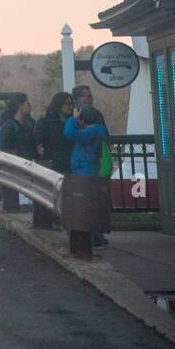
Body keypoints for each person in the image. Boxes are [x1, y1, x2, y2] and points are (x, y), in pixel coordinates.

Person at [65, 104, 111, 248]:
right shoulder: (98, 130)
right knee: (93, 207)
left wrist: (73, 118)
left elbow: (68, 133)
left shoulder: (91, 132)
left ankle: (92, 241)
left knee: (86, 209)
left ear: (84, 120)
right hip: (90, 173)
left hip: (86, 174)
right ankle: (97, 239)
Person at [35, 92, 74, 174]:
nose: (71, 107)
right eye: (68, 104)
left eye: (72, 104)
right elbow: (37, 142)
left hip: (71, 165)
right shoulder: (45, 122)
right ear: (59, 104)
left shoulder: (73, 122)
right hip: (52, 166)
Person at [0, 93, 35, 160]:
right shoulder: (10, 127)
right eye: (27, 103)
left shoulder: (28, 124)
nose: (30, 106)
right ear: (20, 106)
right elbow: (7, 151)